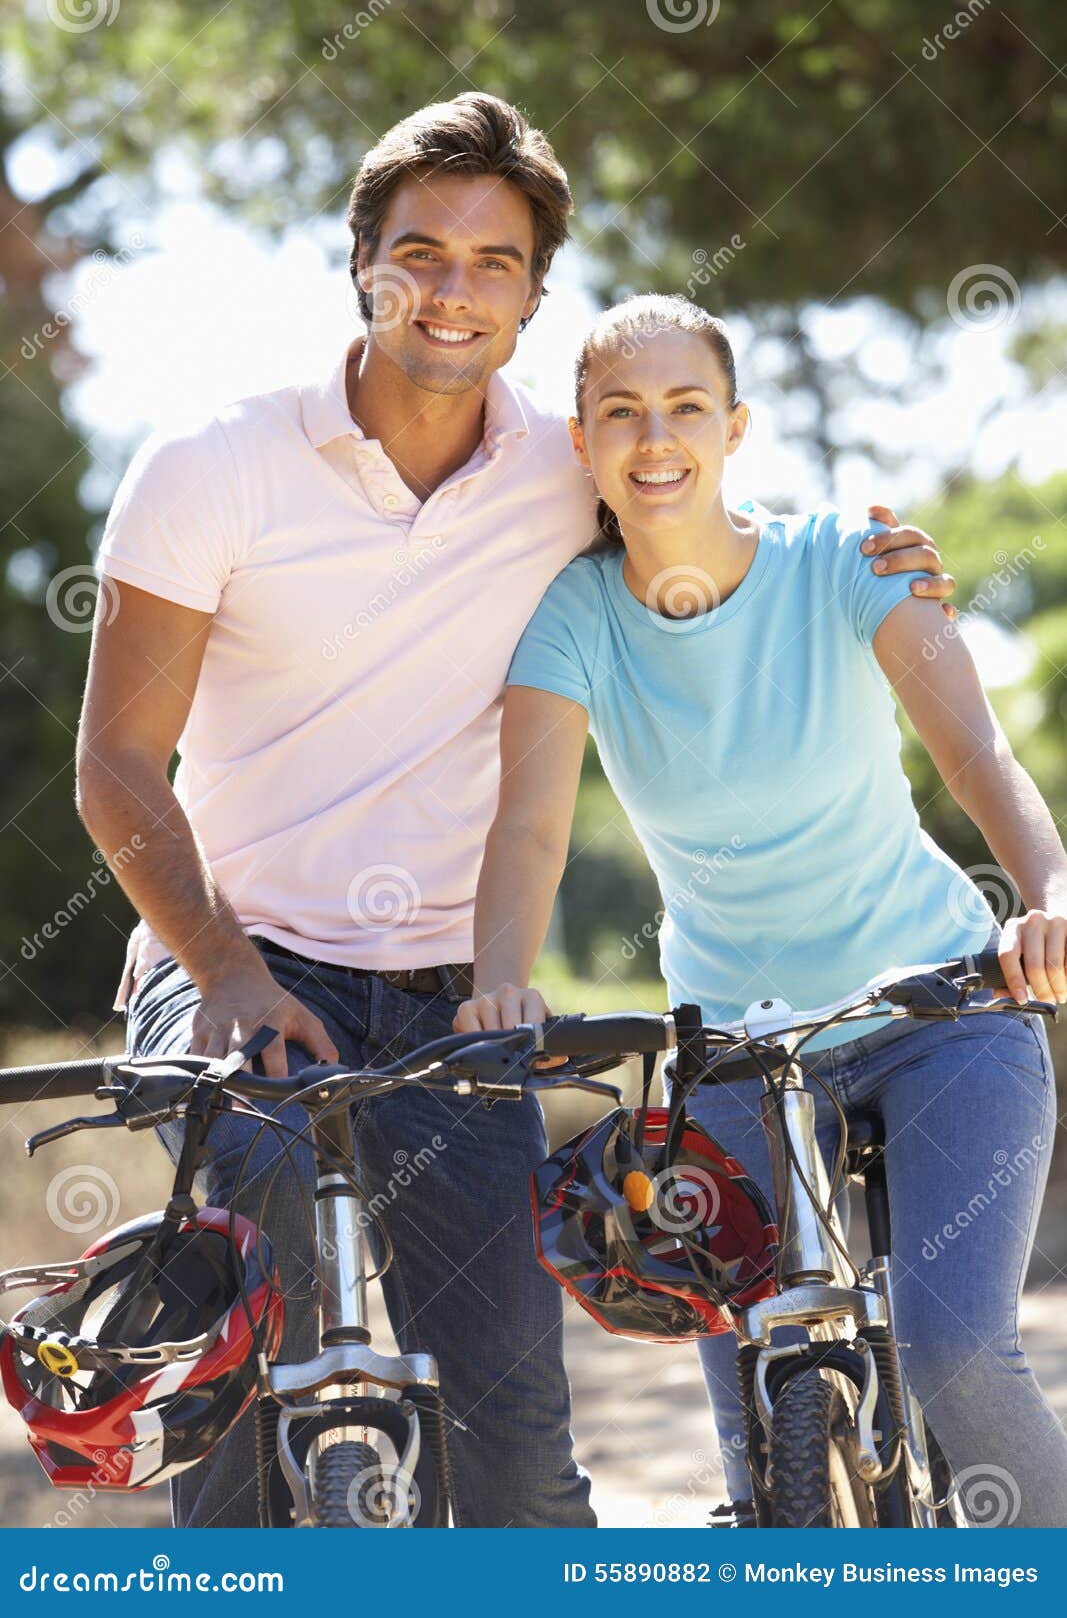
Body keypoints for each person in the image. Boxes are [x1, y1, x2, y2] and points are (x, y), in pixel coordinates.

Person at [76, 94, 954, 1529]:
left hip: (451, 999)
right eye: (419, 250)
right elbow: (114, 767)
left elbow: (695, 504)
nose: (451, 287)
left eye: (492, 262)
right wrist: (225, 972)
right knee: (260, 1308)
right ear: (360, 262)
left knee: (515, 1457)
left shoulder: (561, 464)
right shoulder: (208, 465)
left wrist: (856, 557)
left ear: (534, 296)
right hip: (235, 954)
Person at [457, 292, 1067, 1528]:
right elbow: (528, 826)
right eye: (618, 413)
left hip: (940, 1005)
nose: (654, 436)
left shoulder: (844, 561)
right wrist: (499, 978)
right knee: (752, 1392)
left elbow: (973, 753)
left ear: (734, 428)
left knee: (953, 1349)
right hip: (737, 1047)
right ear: (581, 444)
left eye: (685, 406)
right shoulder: (573, 618)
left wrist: (1049, 894)